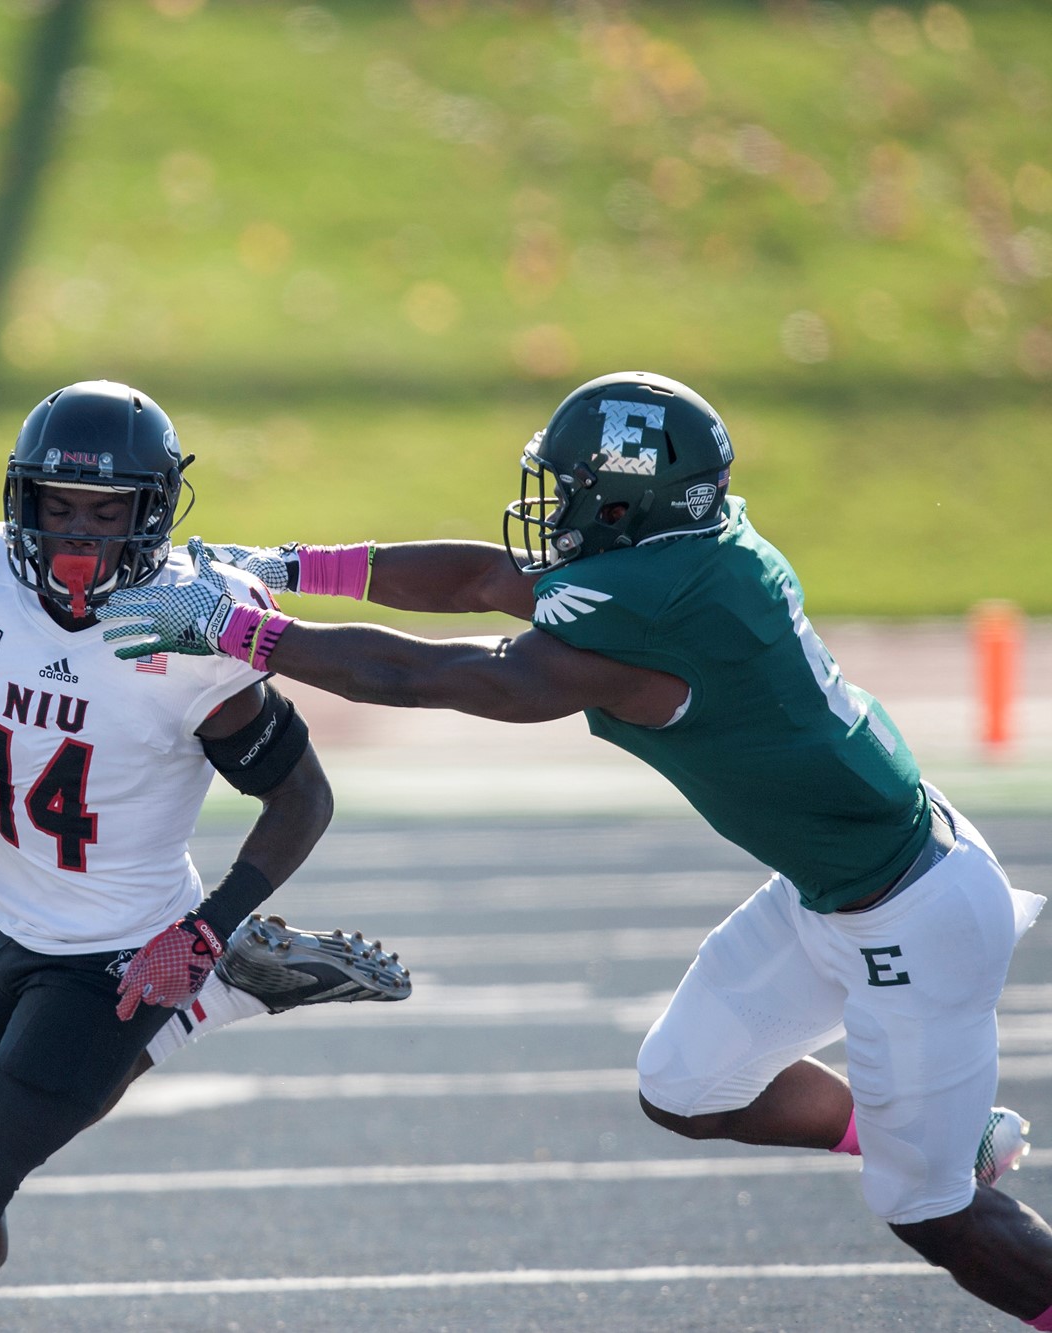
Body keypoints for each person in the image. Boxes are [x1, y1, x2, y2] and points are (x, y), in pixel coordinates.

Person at [96, 369, 1052, 1327]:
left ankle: (937, 1168)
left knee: (927, 1213)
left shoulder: (655, 608)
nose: (549, 510)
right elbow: (480, 577)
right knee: (686, 1086)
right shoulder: (680, 553)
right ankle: (924, 1135)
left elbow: (430, 677)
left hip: (909, 918)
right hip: (837, 885)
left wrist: (238, 626)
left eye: (573, 491)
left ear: (627, 502)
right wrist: (284, 563)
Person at [0, 380, 410, 1333]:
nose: (78, 533)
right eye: (59, 505)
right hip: (10, 926)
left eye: (107, 512)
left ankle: (204, 979)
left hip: (125, 945)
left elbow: (301, 793)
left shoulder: (184, 625)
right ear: (22, 499)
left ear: (152, 514)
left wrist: (204, 928)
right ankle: (205, 1005)